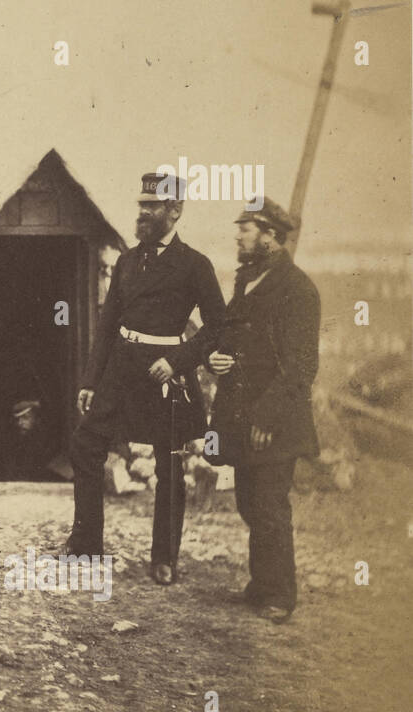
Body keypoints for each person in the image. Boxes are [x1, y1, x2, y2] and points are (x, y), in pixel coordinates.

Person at [58, 173, 225, 583]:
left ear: (175, 210)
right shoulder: (128, 261)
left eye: (153, 206)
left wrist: (180, 361)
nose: (144, 213)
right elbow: (108, 323)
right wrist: (90, 381)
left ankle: (164, 558)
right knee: (85, 444)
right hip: (120, 369)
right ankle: (87, 545)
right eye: (142, 205)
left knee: (168, 464)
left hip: (163, 375)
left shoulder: (194, 265)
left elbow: (220, 325)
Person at [207, 199, 319, 624]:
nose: (238, 235)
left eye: (247, 229)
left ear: (271, 235)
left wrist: (266, 419)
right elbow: (231, 342)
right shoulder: (247, 281)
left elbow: (301, 366)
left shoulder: (297, 290)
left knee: (270, 505)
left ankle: (279, 595)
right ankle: (261, 583)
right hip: (241, 416)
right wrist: (215, 360)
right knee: (250, 502)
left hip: (274, 422)